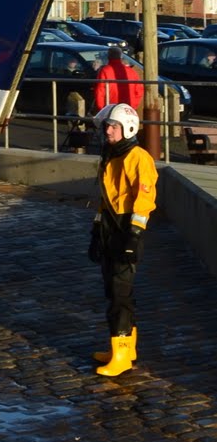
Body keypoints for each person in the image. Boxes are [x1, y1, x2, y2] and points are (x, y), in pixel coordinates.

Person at [87, 103, 158, 377]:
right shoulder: (111, 155)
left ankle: (121, 355)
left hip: (126, 230)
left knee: (120, 292)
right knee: (113, 290)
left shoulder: (138, 158)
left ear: (128, 128)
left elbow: (144, 201)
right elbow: (106, 199)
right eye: (107, 126)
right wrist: (96, 232)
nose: (108, 131)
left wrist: (134, 236)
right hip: (110, 228)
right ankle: (124, 348)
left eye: (113, 127)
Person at [92, 45, 144, 112]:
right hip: (128, 108)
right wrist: (133, 106)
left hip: (111, 108)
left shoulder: (105, 71)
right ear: (121, 56)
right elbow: (139, 91)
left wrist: (102, 109)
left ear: (108, 56)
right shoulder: (131, 71)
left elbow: (100, 91)